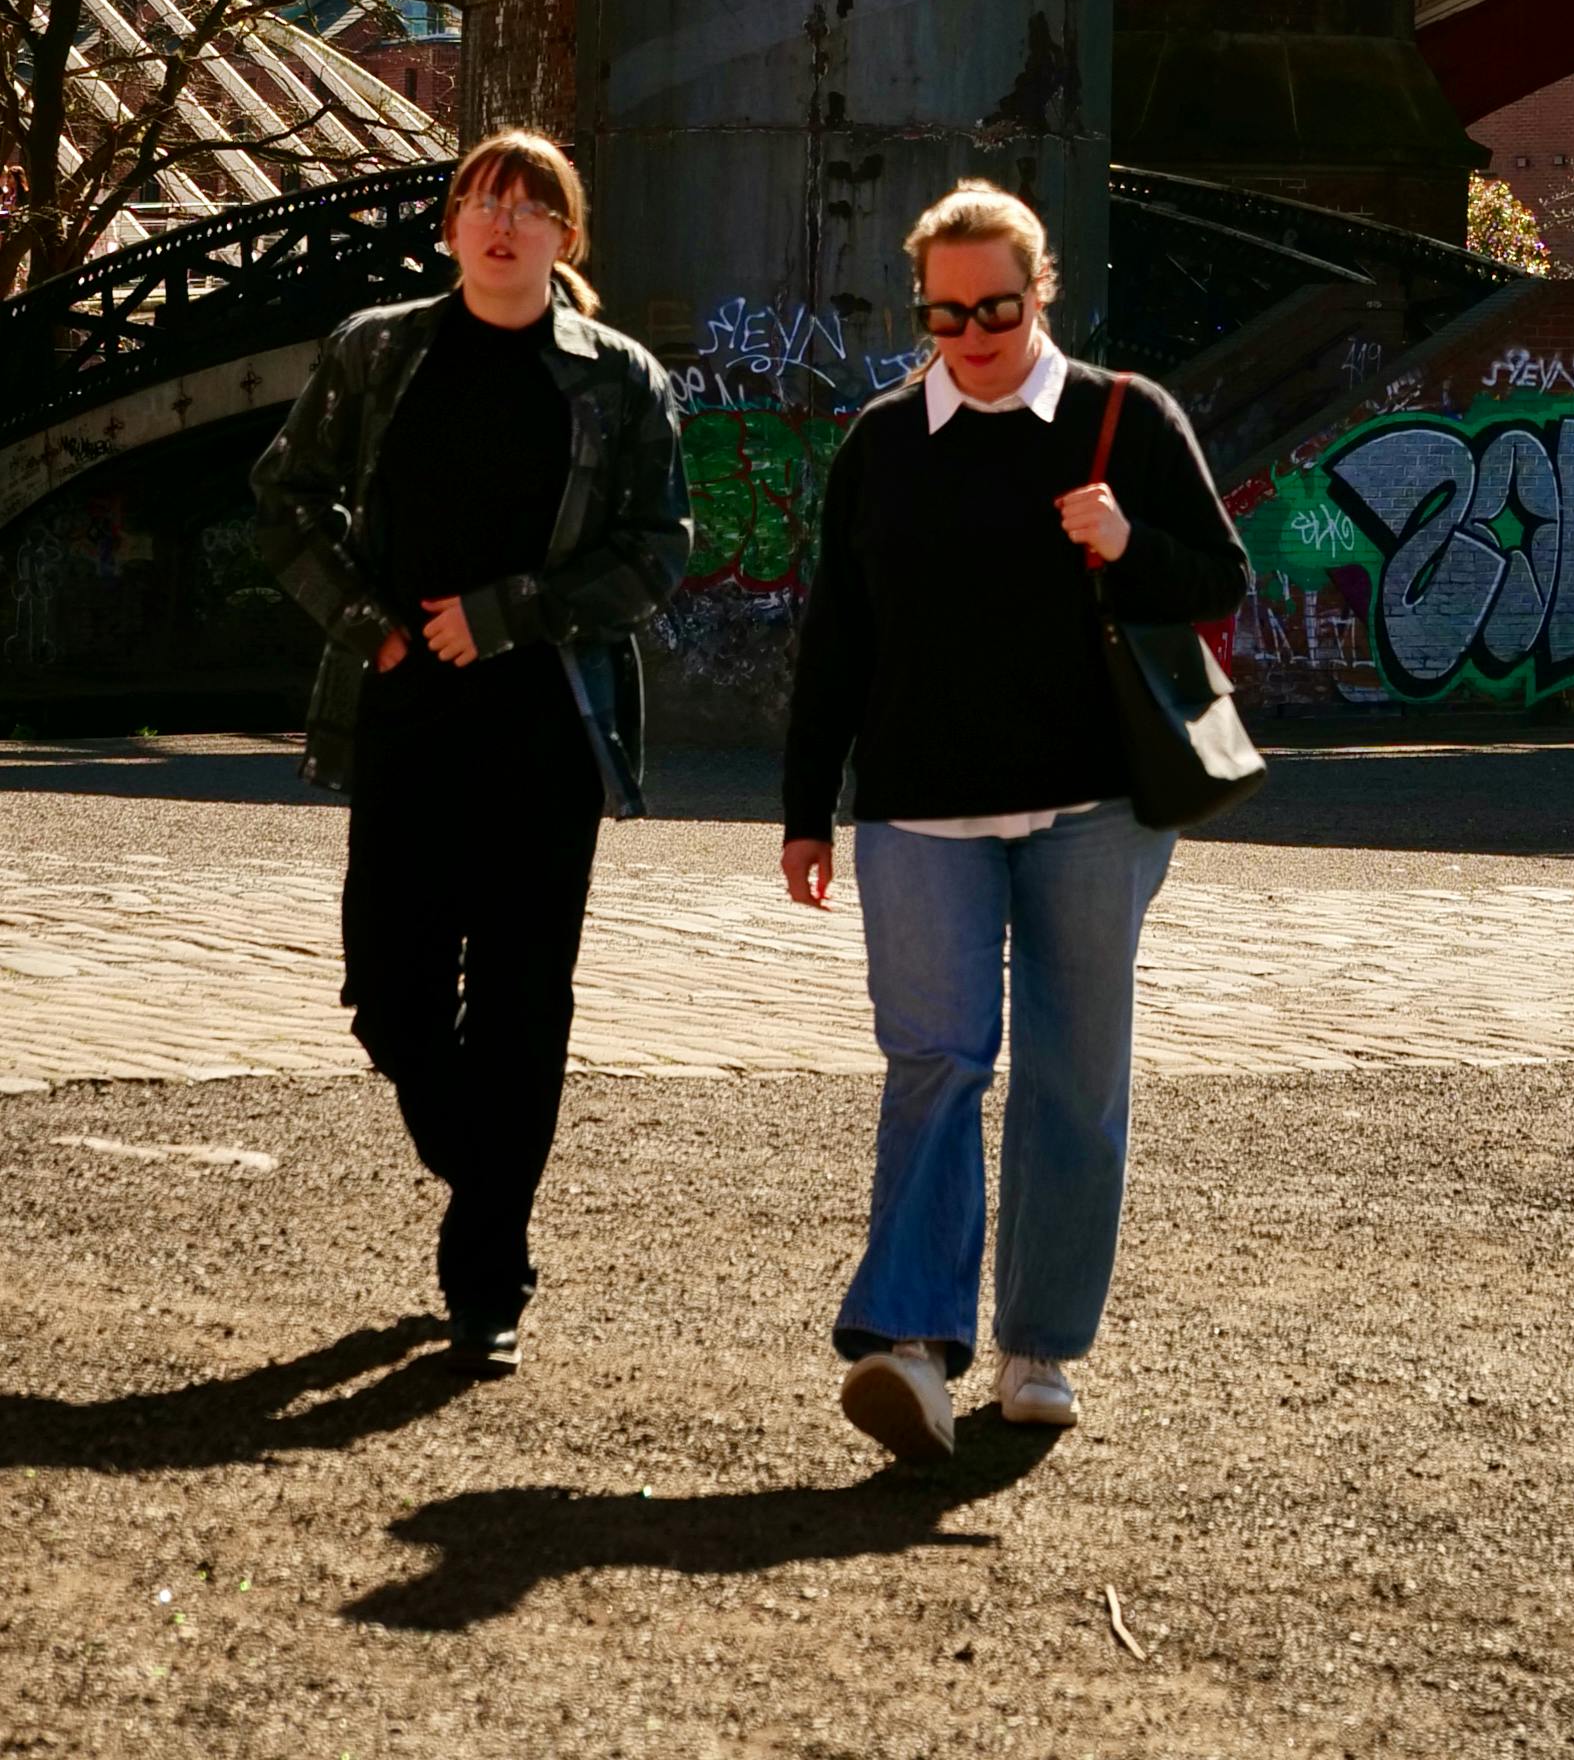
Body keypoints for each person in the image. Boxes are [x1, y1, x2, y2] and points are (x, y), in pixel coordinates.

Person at [780, 178, 1249, 1465]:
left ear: (1040, 292)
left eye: (996, 306)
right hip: (919, 809)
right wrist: (804, 809)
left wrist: (1127, 541)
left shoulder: (1122, 418)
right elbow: (838, 637)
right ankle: (913, 1346)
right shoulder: (882, 441)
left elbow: (1221, 574)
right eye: (945, 315)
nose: (973, 334)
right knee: (934, 1065)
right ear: (922, 311)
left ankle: (1039, 1346)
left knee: (1071, 1079)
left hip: (1095, 808)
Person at [251, 127, 692, 1369]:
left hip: (549, 727)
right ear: (449, 226)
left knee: (519, 1000)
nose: (504, 222)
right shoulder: (380, 349)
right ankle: (484, 1169)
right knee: (390, 995)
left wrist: (504, 616)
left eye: (531, 205)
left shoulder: (617, 379)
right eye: (482, 200)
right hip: (402, 717)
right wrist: (371, 627)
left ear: (567, 234)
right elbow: (283, 499)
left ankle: (487, 1272)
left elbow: (658, 551)